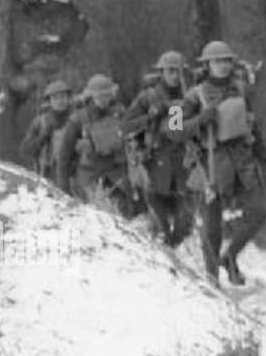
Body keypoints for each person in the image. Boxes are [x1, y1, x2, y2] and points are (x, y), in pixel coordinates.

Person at [180, 41, 266, 286]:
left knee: (258, 213)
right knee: (212, 225)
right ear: (207, 64)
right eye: (217, 61)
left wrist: (263, 158)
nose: (222, 66)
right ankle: (212, 278)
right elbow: (172, 129)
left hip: (242, 162)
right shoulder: (192, 95)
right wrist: (199, 119)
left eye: (226, 61)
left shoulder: (240, 89)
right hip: (210, 164)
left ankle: (229, 256)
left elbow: (253, 125)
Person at [123, 51, 195, 247]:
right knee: (159, 224)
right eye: (170, 71)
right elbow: (126, 126)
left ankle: (171, 251)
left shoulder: (191, 96)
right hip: (155, 164)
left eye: (178, 71)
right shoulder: (149, 97)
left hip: (184, 164)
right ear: (161, 72)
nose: (175, 76)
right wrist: (152, 116)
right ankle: (161, 256)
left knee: (185, 223)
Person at [56, 74, 137, 215]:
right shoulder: (78, 119)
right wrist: (63, 188)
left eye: (106, 96)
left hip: (116, 172)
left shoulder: (120, 113)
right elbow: (64, 154)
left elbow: (133, 137)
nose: (103, 100)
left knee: (124, 215)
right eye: (99, 96)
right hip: (90, 175)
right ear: (91, 96)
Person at [21, 79, 73, 180]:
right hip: (47, 174)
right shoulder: (40, 123)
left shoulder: (77, 120)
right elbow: (25, 150)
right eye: (55, 98)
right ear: (49, 101)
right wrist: (43, 136)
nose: (60, 101)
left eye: (63, 97)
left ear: (68, 99)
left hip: (72, 175)